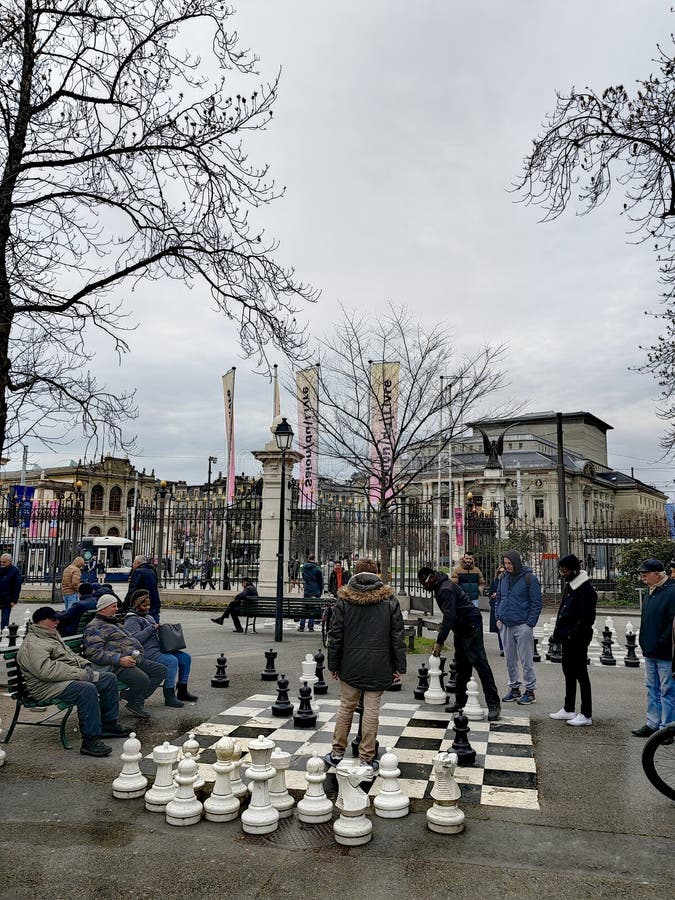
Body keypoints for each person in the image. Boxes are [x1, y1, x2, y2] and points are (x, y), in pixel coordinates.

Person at [325, 558, 406, 771]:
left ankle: (337, 752)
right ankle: (366, 757)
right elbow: (397, 636)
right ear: (376, 573)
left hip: (350, 663)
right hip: (380, 664)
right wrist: (399, 667)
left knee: (346, 708)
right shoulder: (389, 600)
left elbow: (335, 635)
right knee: (371, 711)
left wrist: (333, 665)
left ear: (355, 573)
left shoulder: (344, 600)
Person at [17, 606, 132, 757]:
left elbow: (70, 656)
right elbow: (46, 671)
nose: (57, 622)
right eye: (52, 619)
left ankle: (108, 725)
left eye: (57, 618)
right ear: (40, 621)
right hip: (45, 686)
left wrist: (85, 664)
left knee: (108, 679)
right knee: (86, 689)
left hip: (62, 679)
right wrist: (81, 674)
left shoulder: (50, 635)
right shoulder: (34, 644)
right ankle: (90, 740)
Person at [418, 565, 501, 722]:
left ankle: (494, 705)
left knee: (480, 664)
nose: (424, 587)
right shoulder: (440, 586)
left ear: (431, 578)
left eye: (424, 583)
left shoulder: (445, 589)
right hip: (461, 626)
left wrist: (439, 642)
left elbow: (448, 617)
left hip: (471, 625)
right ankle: (460, 701)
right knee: (462, 664)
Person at [83, 595, 167, 718]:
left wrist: (137, 654)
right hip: (115, 665)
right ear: (103, 608)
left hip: (131, 659)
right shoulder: (94, 627)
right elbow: (94, 653)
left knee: (160, 670)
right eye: (113, 606)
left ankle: (134, 698)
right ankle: (135, 701)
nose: (116, 609)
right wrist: (119, 659)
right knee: (142, 679)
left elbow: (131, 640)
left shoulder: (113, 622)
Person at [124, 590, 198, 706]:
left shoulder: (149, 617)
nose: (147, 608)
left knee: (185, 658)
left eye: (148, 605)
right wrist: (152, 628)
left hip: (159, 649)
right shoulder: (131, 620)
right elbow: (134, 640)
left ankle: (182, 690)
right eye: (144, 605)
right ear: (136, 605)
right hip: (147, 652)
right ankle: (169, 695)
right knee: (171, 661)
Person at [548, 554, 597, 727]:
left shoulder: (586, 590)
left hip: (578, 638)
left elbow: (586, 619)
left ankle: (586, 713)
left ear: (575, 570)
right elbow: (563, 611)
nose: (562, 574)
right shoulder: (571, 585)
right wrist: (557, 634)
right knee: (568, 672)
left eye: (565, 571)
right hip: (566, 636)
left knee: (581, 674)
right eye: (561, 570)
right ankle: (568, 708)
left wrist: (573, 634)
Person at [631, 558, 675, 737]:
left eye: (645, 574)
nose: (643, 578)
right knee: (651, 688)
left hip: (664, 651)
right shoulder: (652, 591)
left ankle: (667, 728)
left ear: (657, 574)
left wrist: (661, 642)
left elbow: (671, 623)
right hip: (650, 649)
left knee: (667, 690)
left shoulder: (671, 591)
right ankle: (653, 723)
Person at [495, 550, 542, 706]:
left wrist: (529, 624)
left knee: (526, 660)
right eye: (505, 563)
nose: (507, 566)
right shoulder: (503, 578)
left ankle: (530, 690)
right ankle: (514, 688)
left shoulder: (530, 578)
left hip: (522, 625)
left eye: (510, 563)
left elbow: (536, 603)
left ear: (516, 562)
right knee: (510, 660)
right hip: (506, 624)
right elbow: (499, 598)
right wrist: (498, 617)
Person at [124, 555, 161, 621]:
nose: (132, 565)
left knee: (142, 621)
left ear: (138, 563)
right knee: (154, 621)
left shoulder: (138, 572)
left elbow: (132, 589)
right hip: (154, 600)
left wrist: (125, 605)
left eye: (134, 562)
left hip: (143, 601)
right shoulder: (152, 570)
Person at [299, 553, 323, 631]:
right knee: (313, 609)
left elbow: (304, 577)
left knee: (305, 608)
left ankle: (302, 625)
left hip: (307, 589)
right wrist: (320, 590)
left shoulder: (304, 567)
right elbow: (320, 581)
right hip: (315, 589)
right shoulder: (317, 568)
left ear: (308, 559)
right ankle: (311, 626)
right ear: (314, 559)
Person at [0, 553, 22, 630]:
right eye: (1, 561)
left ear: (9, 562)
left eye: (4, 562)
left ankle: (3, 632)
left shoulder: (15, 571)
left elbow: (17, 587)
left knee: (5, 619)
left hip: (7, 598)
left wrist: (14, 600)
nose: (2, 563)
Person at [487, 564, 505, 655]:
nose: (501, 573)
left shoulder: (508, 581)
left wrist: (497, 594)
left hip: (505, 608)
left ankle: (507, 647)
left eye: (503, 572)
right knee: (499, 629)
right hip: (496, 607)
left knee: (506, 629)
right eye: (500, 572)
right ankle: (502, 648)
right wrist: (492, 597)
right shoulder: (494, 582)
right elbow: (490, 595)